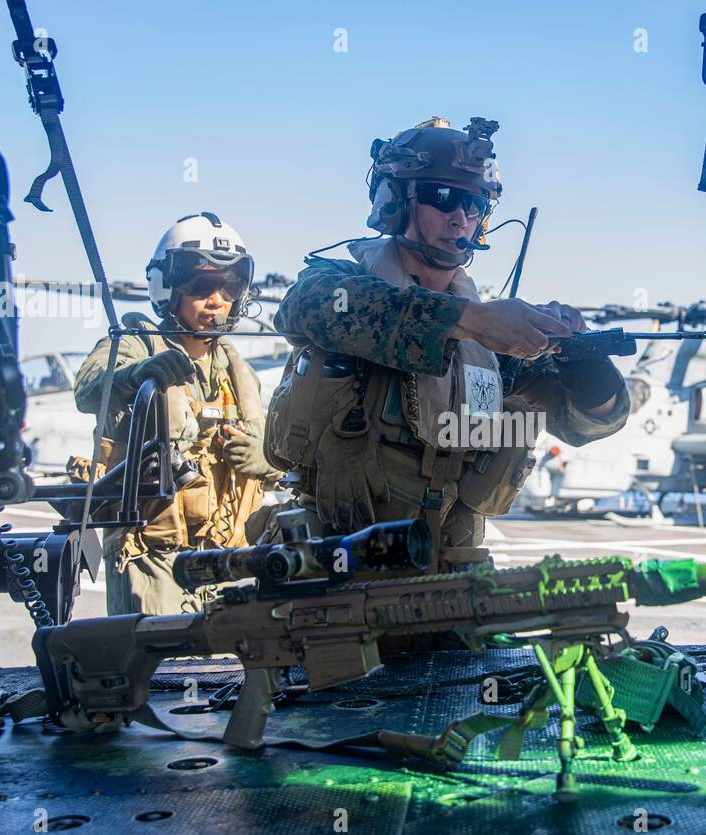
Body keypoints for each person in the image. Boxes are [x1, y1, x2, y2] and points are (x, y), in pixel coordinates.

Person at [265, 117, 630, 573]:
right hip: (333, 561)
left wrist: (578, 356)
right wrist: (472, 321)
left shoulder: (492, 346)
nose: (460, 216)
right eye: (442, 197)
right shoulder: (341, 283)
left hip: (451, 573)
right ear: (394, 201)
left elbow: (589, 423)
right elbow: (308, 307)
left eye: (473, 203)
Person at [72, 212, 281, 614]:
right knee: (163, 672)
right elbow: (88, 389)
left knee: (231, 673)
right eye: (202, 285)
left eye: (230, 285)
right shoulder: (138, 344)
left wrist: (266, 459)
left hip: (229, 563)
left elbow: (290, 460)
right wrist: (136, 375)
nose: (217, 299)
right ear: (166, 286)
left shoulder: (241, 374)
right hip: (153, 561)